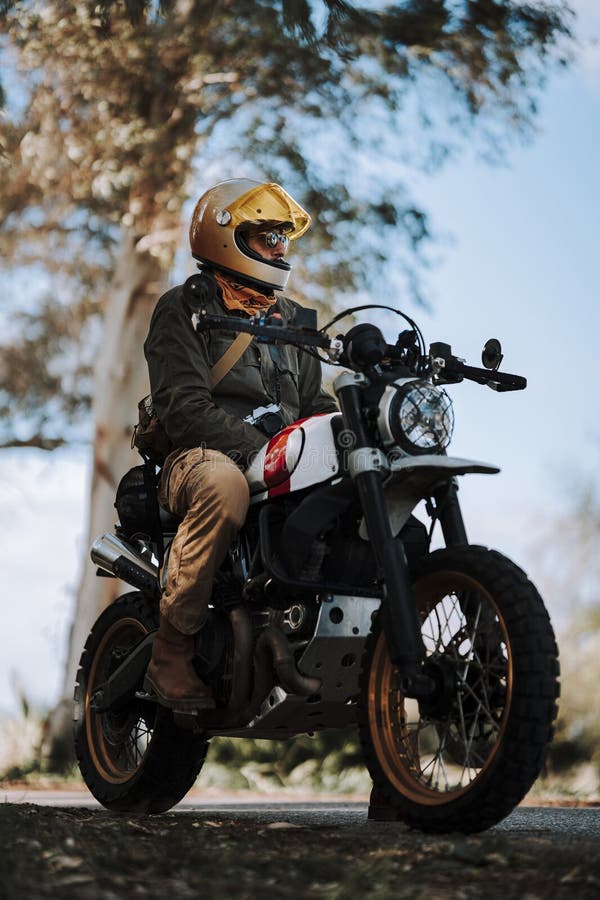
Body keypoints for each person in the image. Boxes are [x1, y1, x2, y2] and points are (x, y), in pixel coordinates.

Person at [143, 178, 337, 711]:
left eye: (282, 238)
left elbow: (312, 403)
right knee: (226, 486)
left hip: (281, 462)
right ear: (228, 238)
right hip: (199, 459)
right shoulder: (185, 307)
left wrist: (347, 431)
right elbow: (182, 408)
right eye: (267, 236)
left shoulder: (291, 321)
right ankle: (171, 651)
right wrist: (265, 451)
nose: (279, 248)